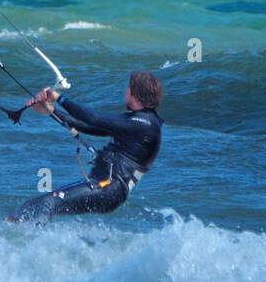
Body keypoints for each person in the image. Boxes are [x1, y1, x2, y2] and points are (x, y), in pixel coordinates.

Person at [10, 69, 163, 222]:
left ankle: (26, 241)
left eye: (128, 88)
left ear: (136, 94)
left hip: (109, 188)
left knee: (47, 204)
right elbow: (87, 126)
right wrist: (51, 110)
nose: (126, 92)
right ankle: (11, 234)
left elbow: (93, 118)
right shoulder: (137, 122)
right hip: (103, 186)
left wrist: (58, 97)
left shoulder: (146, 123)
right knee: (33, 205)